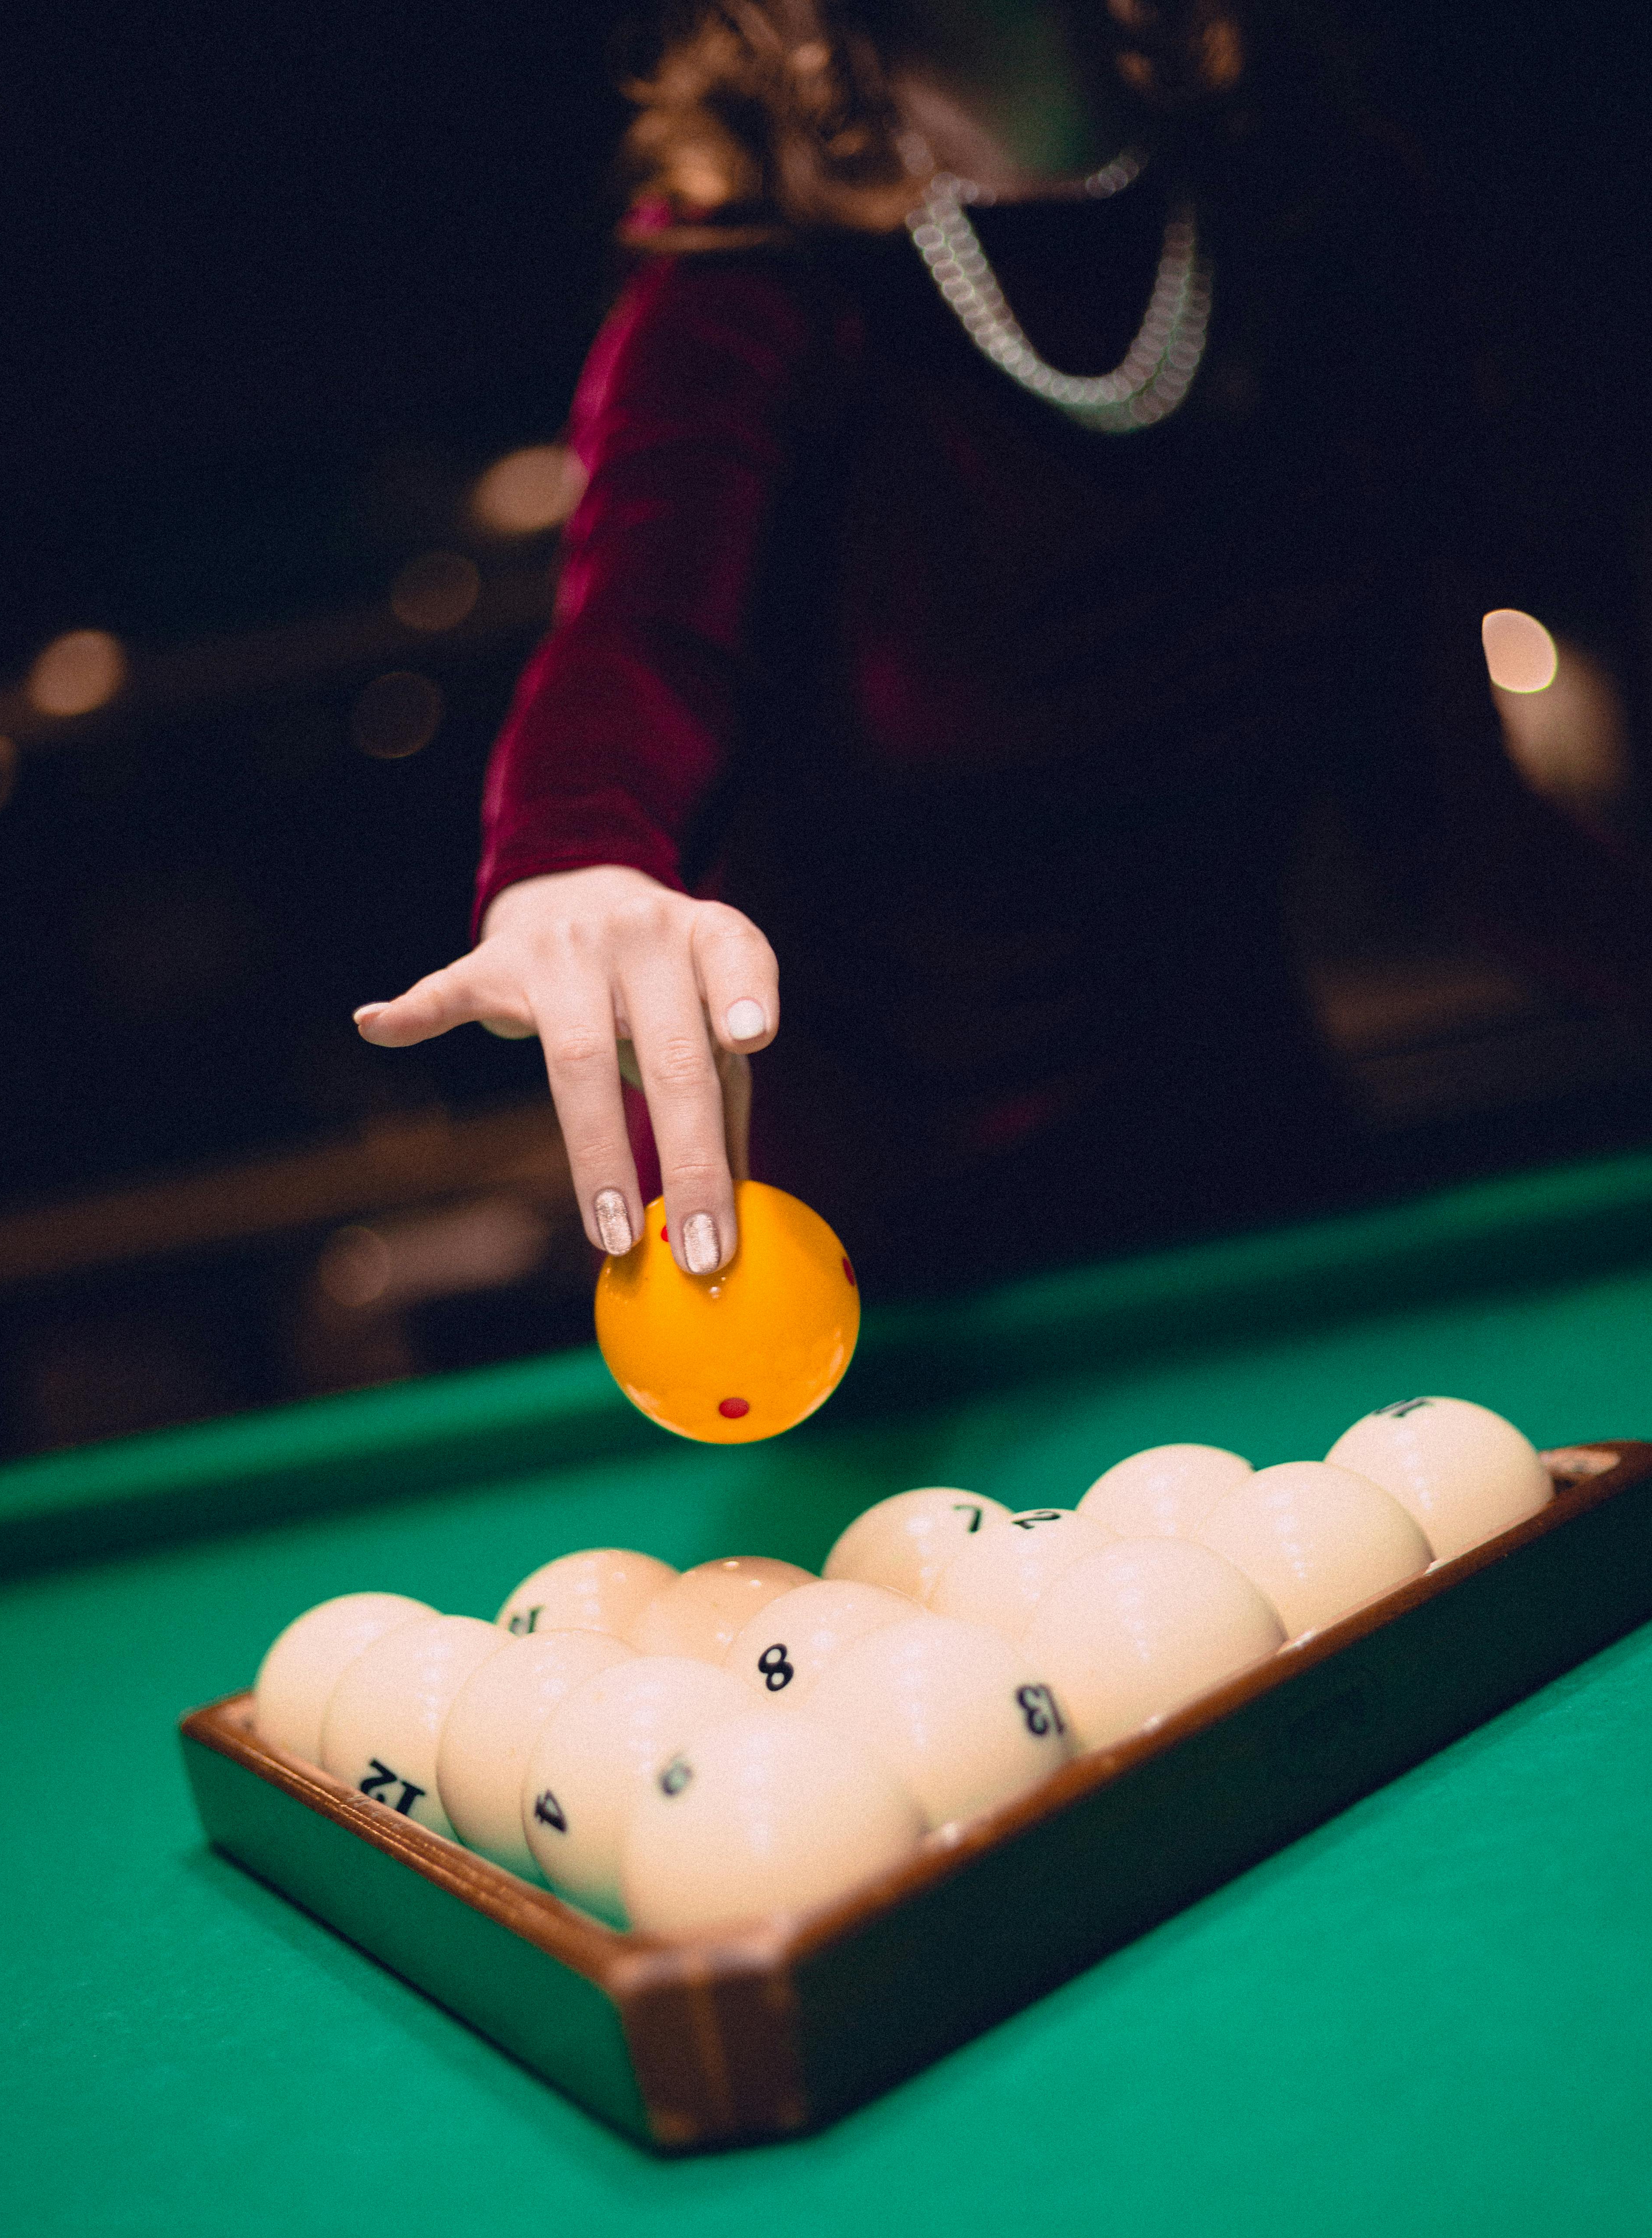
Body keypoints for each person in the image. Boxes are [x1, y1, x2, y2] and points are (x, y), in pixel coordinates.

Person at [352, 0, 1647, 1292]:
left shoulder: (1325, 211)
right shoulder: (747, 278)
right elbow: (634, 647)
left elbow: (1448, 800)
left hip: (1249, 1186)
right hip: (862, 1269)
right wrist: (570, 863)